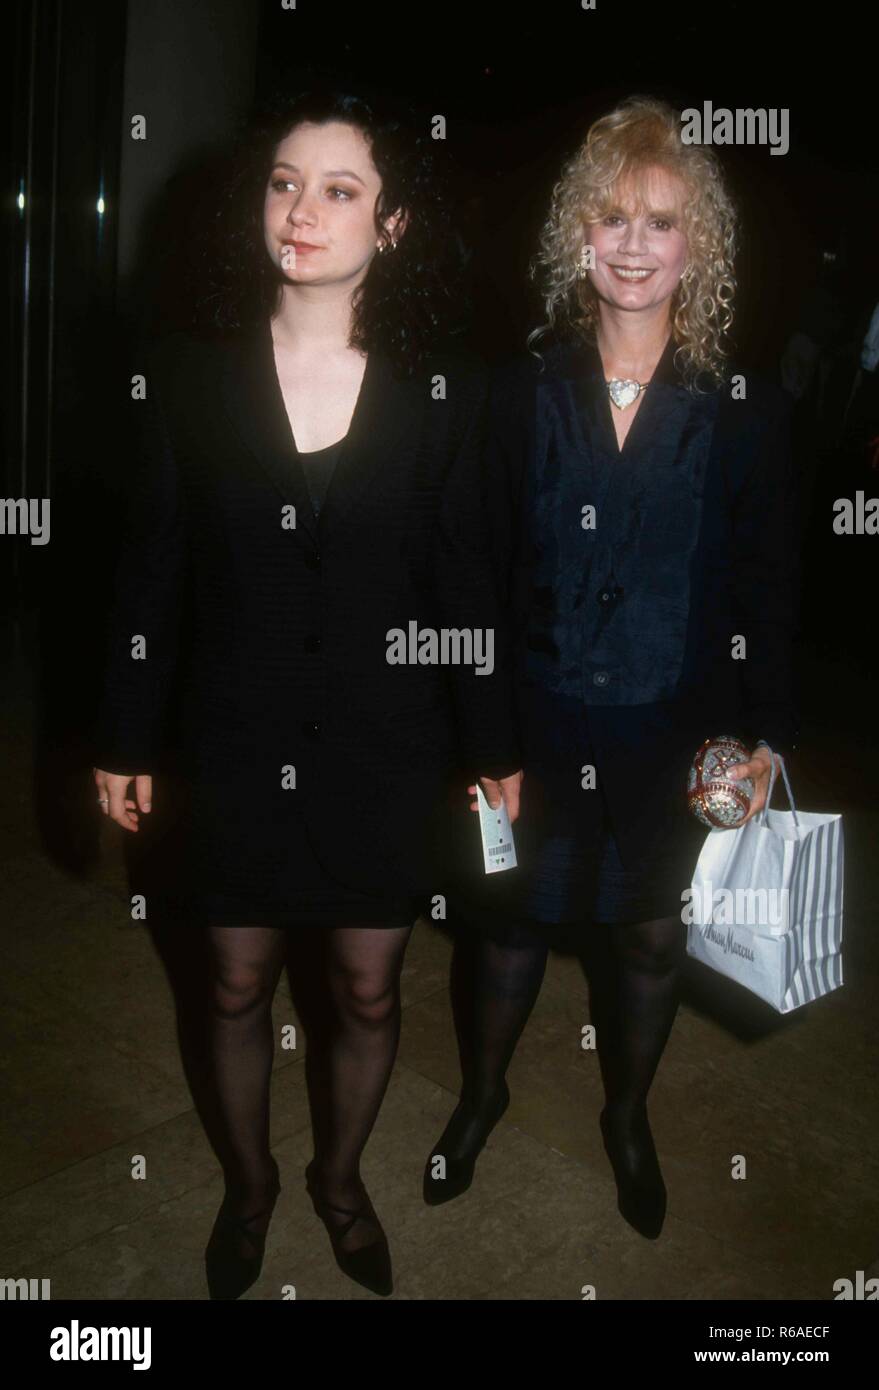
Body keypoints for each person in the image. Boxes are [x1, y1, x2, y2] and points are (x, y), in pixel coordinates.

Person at [92, 87, 521, 1299]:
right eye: (285, 182)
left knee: (369, 983)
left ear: (389, 228)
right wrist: (123, 733)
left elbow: (466, 584)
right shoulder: (183, 376)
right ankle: (250, 1188)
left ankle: (339, 1181)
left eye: (341, 189)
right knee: (231, 979)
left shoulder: (448, 394)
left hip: (388, 748)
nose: (304, 210)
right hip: (228, 737)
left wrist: (495, 747)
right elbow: (151, 571)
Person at [424, 96, 800, 1240]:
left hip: (674, 740)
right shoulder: (515, 394)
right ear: (575, 235)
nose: (634, 243)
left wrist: (761, 739)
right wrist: (486, 748)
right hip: (533, 733)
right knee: (509, 931)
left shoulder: (744, 411)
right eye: (611, 216)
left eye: (662, 221)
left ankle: (626, 1115)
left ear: (700, 247)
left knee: (647, 941)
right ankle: (481, 1095)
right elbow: (466, 578)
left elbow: (766, 593)